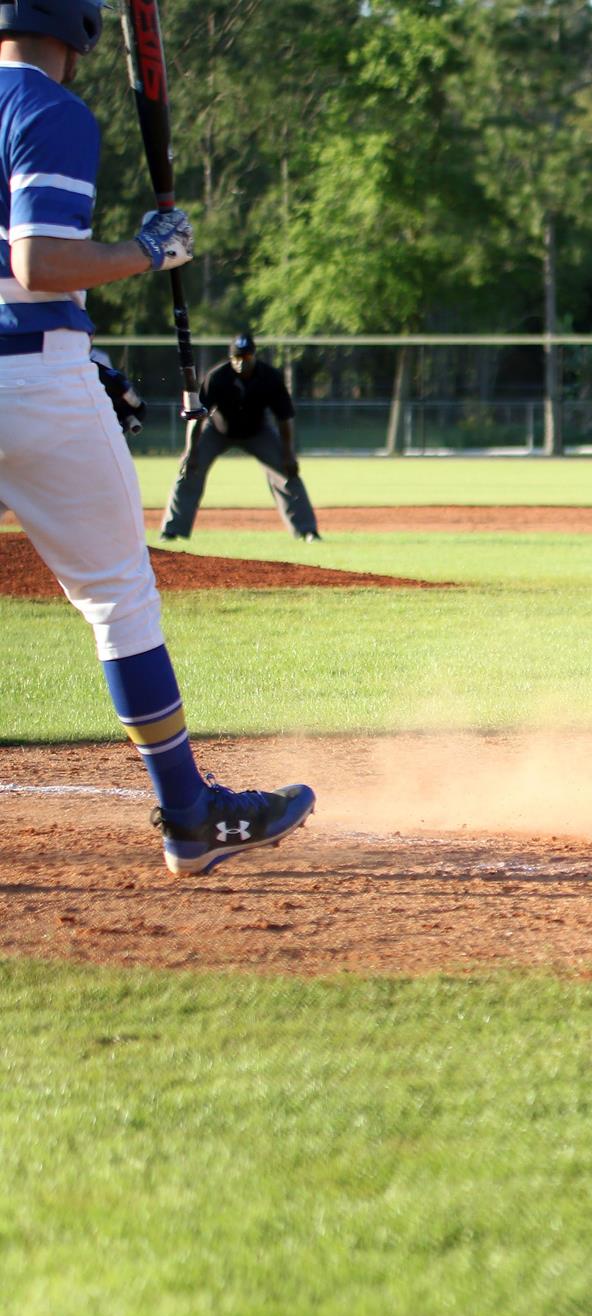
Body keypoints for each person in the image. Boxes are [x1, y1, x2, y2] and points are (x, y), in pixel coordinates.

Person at [1, 0, 313, 873]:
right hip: (34, 380)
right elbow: (37, 263)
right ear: (77, 24)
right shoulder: (50, 109)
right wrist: (146, 251)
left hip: (29, 361)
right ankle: (189, 815)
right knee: (118, 598)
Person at [159, 332, 318, 541]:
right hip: (218, 430)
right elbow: (197, 417)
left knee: (287, 471)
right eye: (237, 358)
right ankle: (171, 530)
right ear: (230, 358)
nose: (241, 363)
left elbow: (284, 418)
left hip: (257, 431)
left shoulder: (270, 377)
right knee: (190, 469)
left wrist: (288, 453)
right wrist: (191, 451)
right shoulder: (217, 376)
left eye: (246, 358)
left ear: (254, 356)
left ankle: (307, 530)